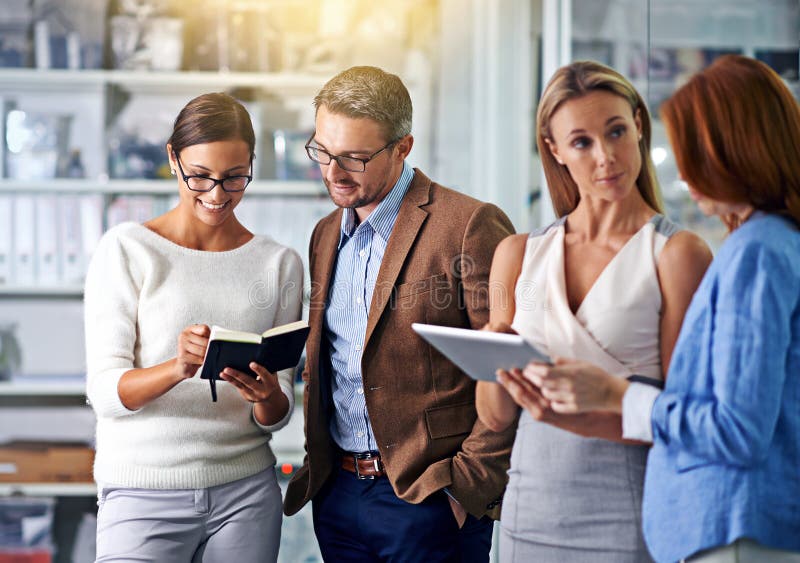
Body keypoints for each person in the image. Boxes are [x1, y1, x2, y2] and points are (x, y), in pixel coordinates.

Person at [523, 55, 800, 562]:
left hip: (731, 523)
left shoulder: (755, 251)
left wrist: (617, 394)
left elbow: (737, 429)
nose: (683, 169)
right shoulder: (773, 243)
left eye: (692, 149)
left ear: (738, 150)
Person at [475, 60, 712, 562]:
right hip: (527, 513)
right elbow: (495, 417)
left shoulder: (677, 254)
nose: (606, 156)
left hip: (629, 513)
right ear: (554, 150)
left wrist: (604, 397)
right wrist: (495, 339)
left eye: (616, 131)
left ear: (639, 127)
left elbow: (684, 417)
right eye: (581, 142)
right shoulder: (517, 254)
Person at [282, 66, 517, 561]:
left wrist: (465, 489)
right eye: (322, 150)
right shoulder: (325, 232)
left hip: (430, 498)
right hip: (339, 495)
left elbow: (508, 371)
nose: (333, 172)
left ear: (403, 148)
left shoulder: (469, 225)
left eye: (355, 158)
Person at [84, 92, 303, 562]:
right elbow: (105, 394)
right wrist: (179, 366)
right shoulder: (127, 249)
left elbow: (278, 412)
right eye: (199, 176)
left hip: (245, 493)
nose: (216, 195)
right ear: (173, 158)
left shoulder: (279, 263)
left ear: (251, 164)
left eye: (234, 177)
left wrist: (267, 395)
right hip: (142, 492)